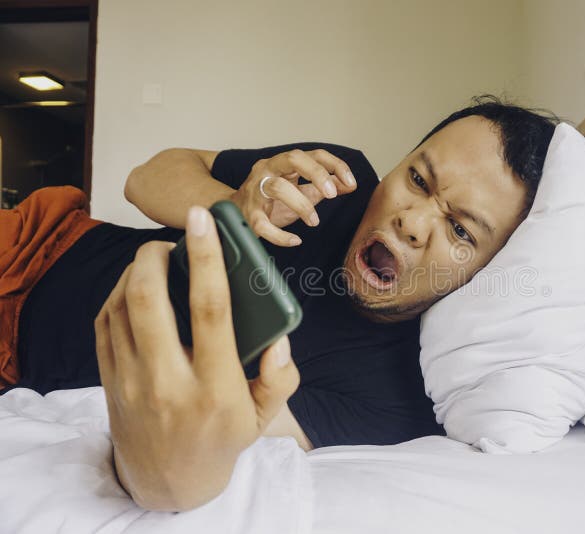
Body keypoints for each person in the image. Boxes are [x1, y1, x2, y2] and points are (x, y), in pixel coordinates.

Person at [0, 95, 556, 510]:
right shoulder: (335, 181)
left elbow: (197, 447)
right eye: (416, 178)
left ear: (489, 273)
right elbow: (147, 178)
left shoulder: (394, 400)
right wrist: (235, 205)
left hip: (19, 366)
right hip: (41, 240)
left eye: (460, 230)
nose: (412, 221)